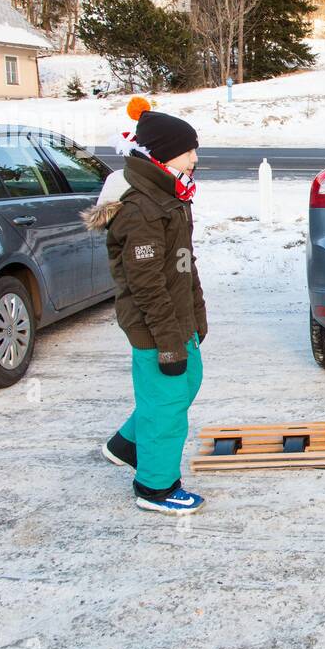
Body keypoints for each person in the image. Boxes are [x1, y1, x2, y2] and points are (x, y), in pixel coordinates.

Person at [83, 97, 209, 515]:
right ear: (161, 155)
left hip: (177, 317)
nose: (194, 158)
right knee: (167, 402)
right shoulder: (142, 210)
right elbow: (146, 286)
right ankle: (155, 487)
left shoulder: (169, 196)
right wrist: (169, 340)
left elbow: (183, 265)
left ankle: (126, 445)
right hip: (156, 323)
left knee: (184, 384)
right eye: (187, 150)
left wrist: (197, 313)